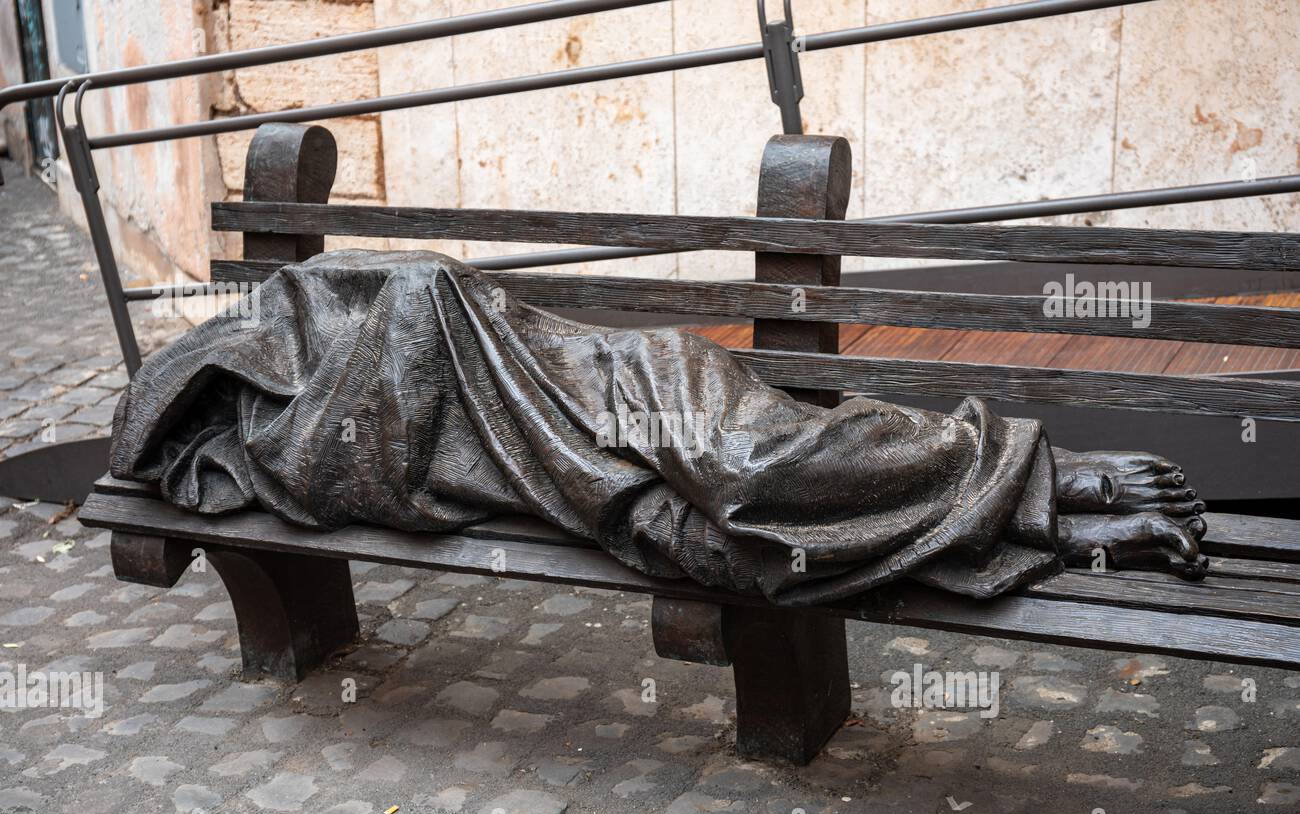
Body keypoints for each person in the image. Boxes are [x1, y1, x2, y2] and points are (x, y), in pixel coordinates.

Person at [110, 251, 1207, 608]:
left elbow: (431, 299)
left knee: (761, 467)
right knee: (734, 550)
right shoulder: (282, 448)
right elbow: (352, 466)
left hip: (625, 394)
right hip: (581, 483)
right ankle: (1057, 528)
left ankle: (1037, 469)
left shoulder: (329, 308)